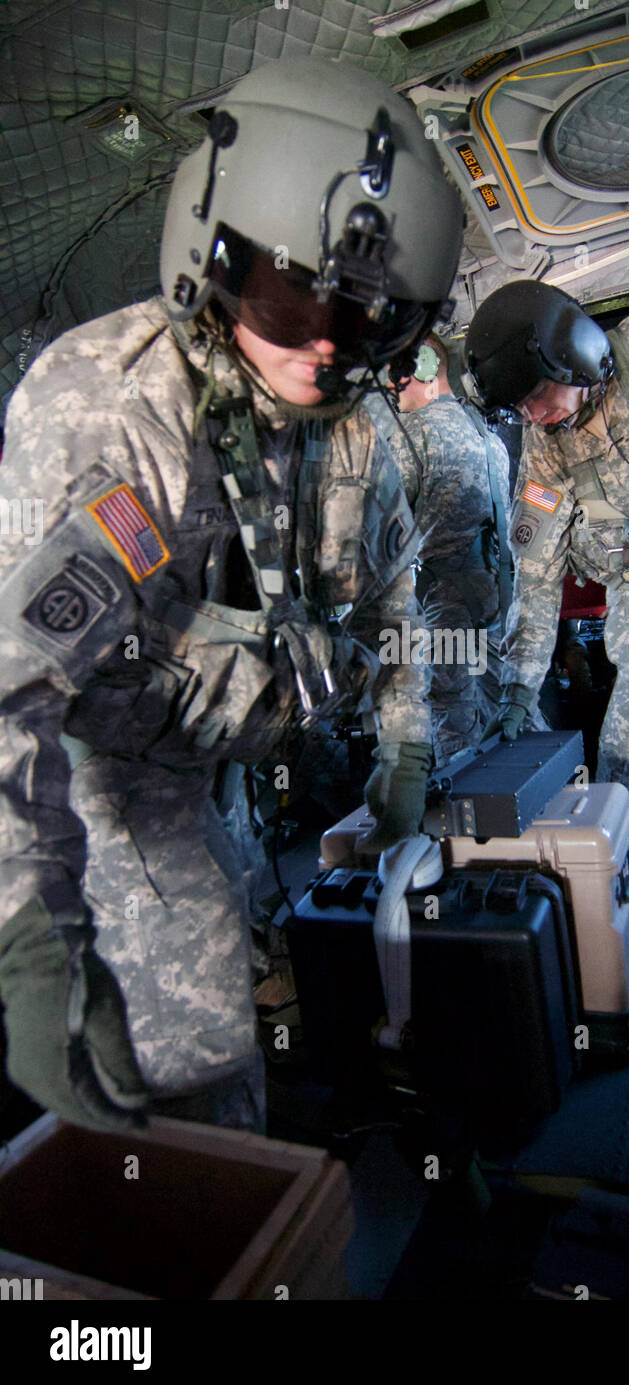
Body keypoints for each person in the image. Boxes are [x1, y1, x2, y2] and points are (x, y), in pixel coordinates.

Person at [0, 55, 463, 1133]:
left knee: (254, 973)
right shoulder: (113, 421)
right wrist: (33, 933)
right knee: (186, 1073)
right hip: (100, 786)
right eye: (290, 291)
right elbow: (10, 691)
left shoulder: (346, 430)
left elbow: (393, 603)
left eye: (364, 318)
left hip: (227, 774)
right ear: (208, 258)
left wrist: (403, 747)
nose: (320, 346)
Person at [466, 281, 629, 946]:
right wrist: (516, 693)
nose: (531, 415)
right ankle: (623, 874)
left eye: (536, 396)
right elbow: (535, 579)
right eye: (517, 408)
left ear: (573, 358)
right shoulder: (544, 444)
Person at [378, 334, 512, 764]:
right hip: (499, 591)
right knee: (507, 707)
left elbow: (382, 534)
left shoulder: (410, 435)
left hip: (448, 599)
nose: (389, 390)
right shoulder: (487, 433)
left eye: (392, 377)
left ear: (421, 367)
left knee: (451, 713)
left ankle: (474, 820)